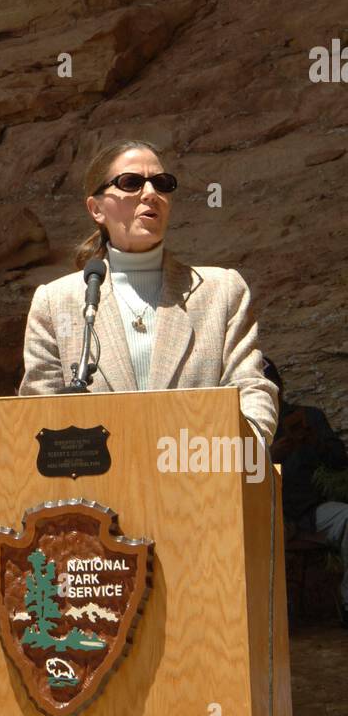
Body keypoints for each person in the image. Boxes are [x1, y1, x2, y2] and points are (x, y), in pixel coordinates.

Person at [19, 138, 278, 443]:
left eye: (162, 183)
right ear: (97, 208)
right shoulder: (55, 302)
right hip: (97, 486)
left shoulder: (222, 291)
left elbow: (251, 387)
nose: (151, 193)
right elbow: (38, 412)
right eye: (131, 183)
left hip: (199, 477)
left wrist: (245, 451)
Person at [265, 357, 348, 627]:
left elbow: (339, 461)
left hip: (311, 512)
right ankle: (266, 620)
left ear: (281, 386)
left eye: (272, 385)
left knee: (346, 517)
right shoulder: (245, 428)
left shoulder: (309, 416)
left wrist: (315, 440)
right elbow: (229, 474)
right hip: (266, 516)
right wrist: (267, 456)